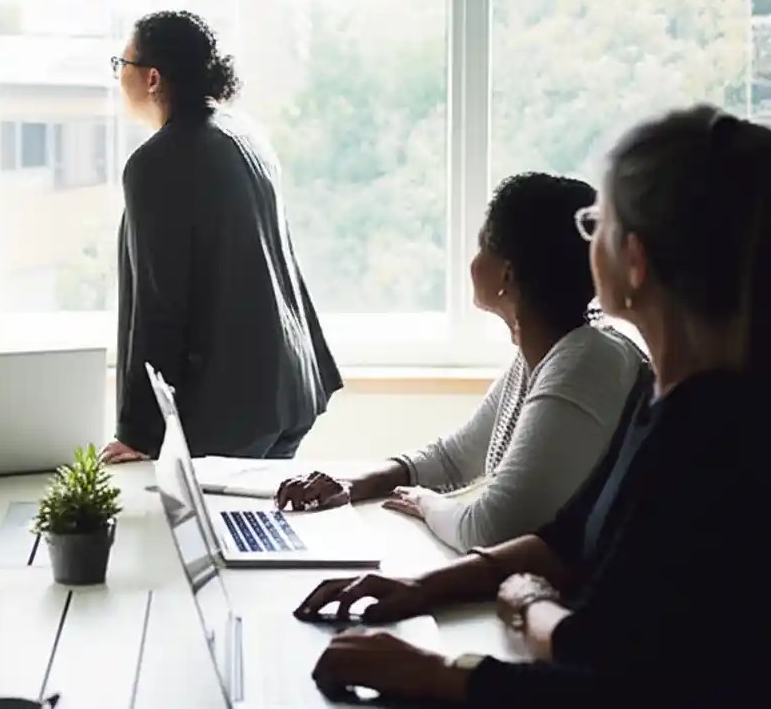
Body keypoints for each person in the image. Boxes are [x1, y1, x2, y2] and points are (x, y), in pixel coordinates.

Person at [294, 105, 767, 707]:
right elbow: (565, 541)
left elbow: (608, 673)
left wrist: (457, 660)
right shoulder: (669, 404)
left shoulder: (713, 438)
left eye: (598, 224)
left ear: (635, 262)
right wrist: (421, 586)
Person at [275, 173, 648, 552]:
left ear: (507, 273)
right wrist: (352, 485)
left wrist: (423, 501)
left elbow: (490, 530)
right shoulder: (549, 352)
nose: (471, 262)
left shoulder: (584, 362)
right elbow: (454, 459)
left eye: (481, 245)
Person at [102, 10, 341, 464]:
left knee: (191, 533)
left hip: (229, 412)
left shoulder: (159, 162)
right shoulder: (245, 136)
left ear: (152, 78)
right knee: (252, 532)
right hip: (290, 390)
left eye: (123, 64)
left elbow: (161, 304)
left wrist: (139, 430)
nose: (119, 77)